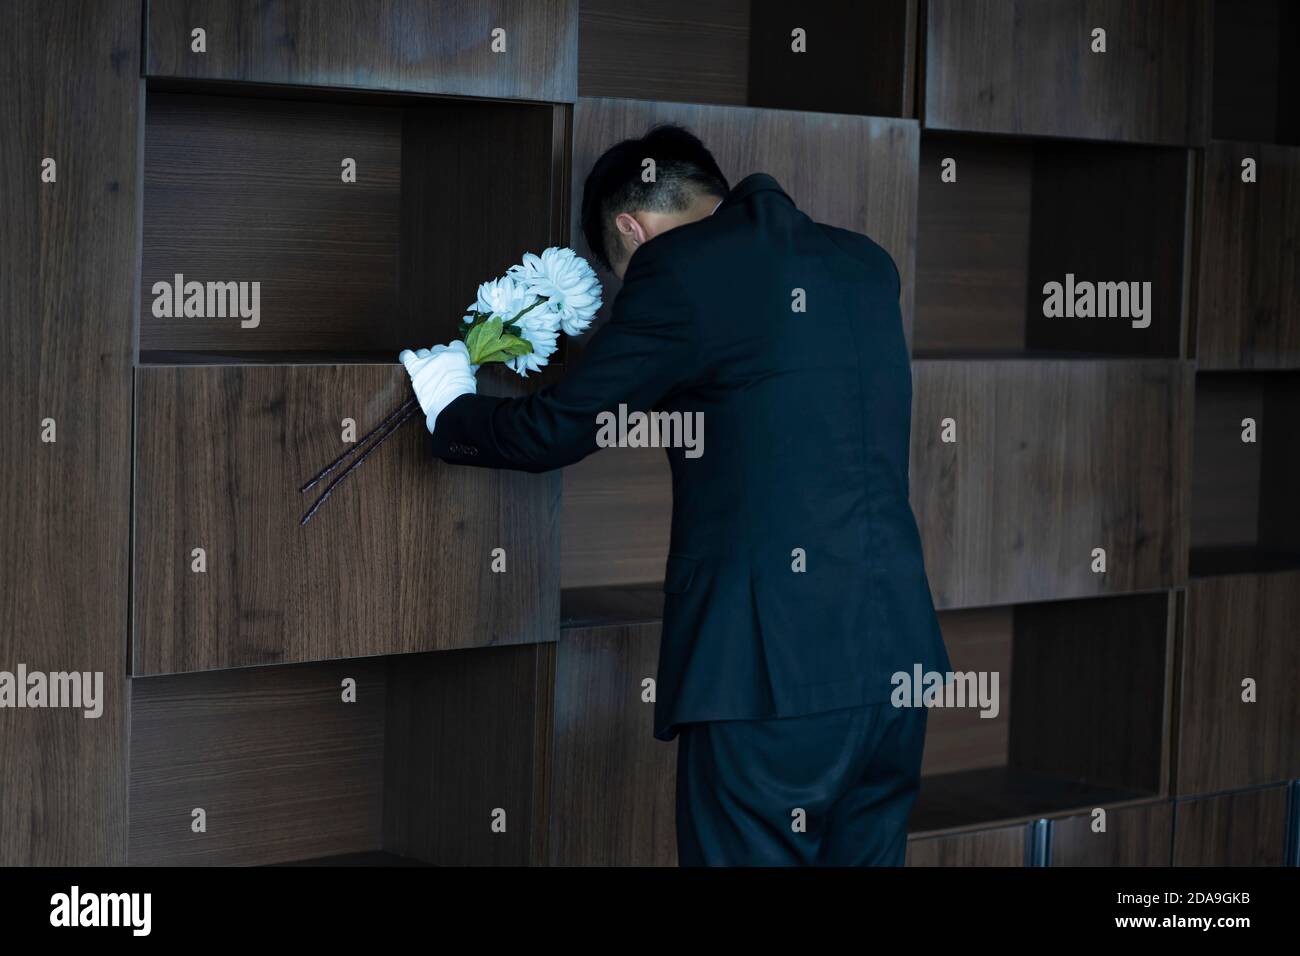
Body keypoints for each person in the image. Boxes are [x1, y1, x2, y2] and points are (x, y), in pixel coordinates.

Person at [402, 124, 952, 866]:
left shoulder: (680, 269)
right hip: (897, 668)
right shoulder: (863, 265)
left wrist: (452, 410)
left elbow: (555, 432)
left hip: (768, 686)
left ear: (633, 228)